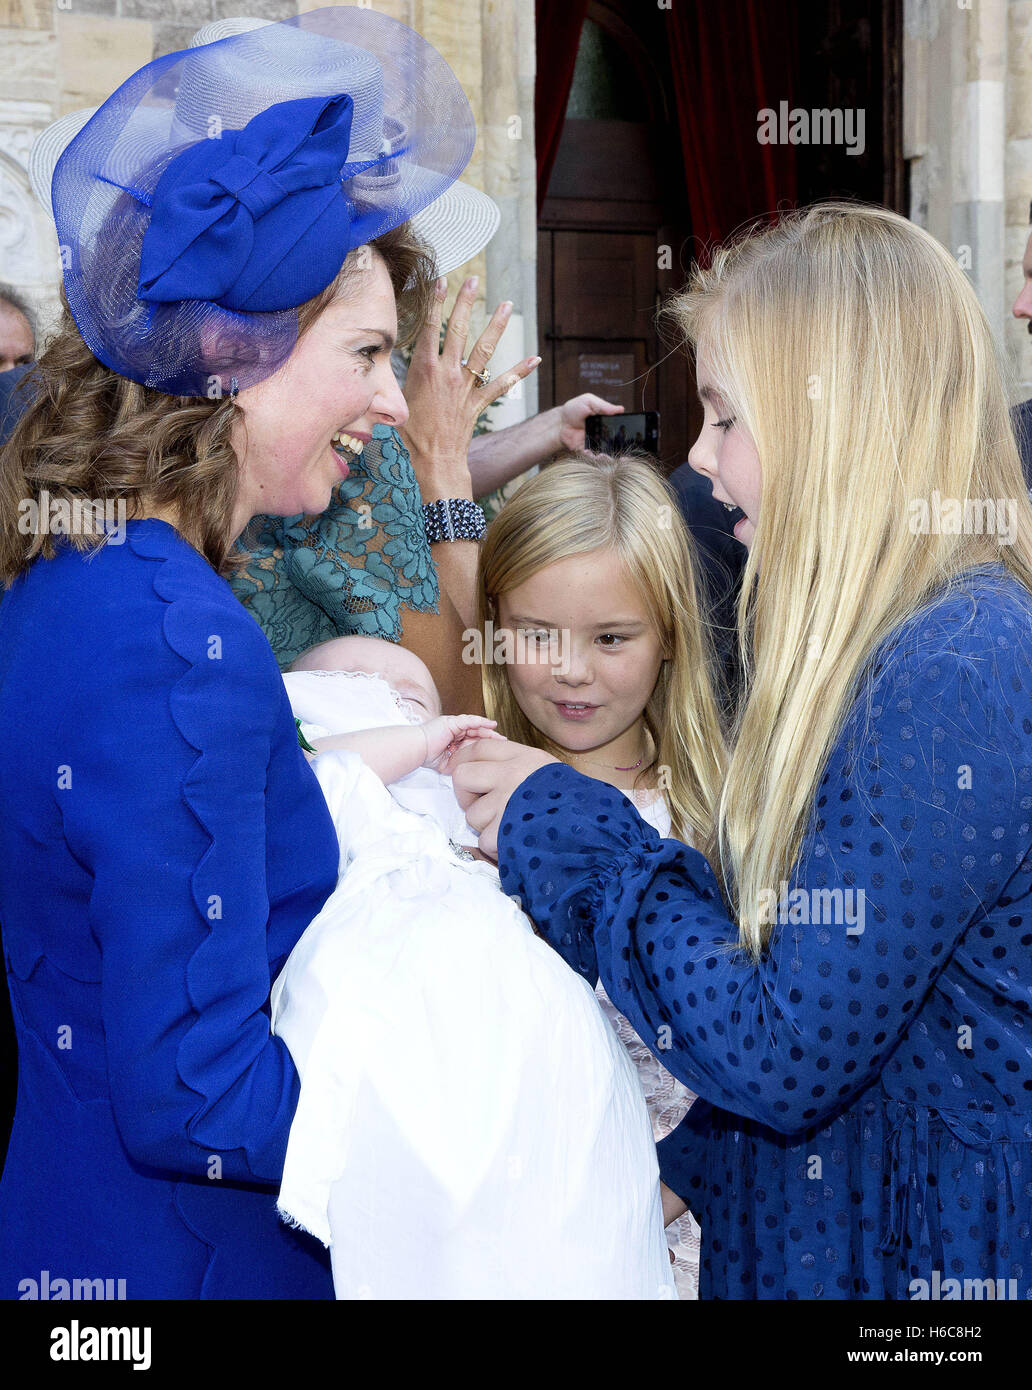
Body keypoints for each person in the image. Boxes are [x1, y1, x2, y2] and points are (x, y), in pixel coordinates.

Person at [0, 9, 535, 1300]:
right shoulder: (177, 639)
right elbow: (197, 1094)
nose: (396, 404)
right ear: (235, 360)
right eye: (365, 355)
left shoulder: (78, 574)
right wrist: (482, 1140)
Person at [450, 203, 1032, 1300]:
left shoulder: (951, 663)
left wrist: (563, 823)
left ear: (841, 421)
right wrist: (668, 1176)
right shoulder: (905, 638)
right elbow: (865, 1021)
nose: (706, 467)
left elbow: (783, 1045)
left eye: (727, 418)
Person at [272, 635, 675, 1299]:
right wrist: (420, 737)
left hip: (499, 977)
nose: (400, 704)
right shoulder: (324, 746)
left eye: (413, 699)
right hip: (401, 966)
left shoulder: (467, 794)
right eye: (377, 690)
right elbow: (316, 776)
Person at [475, 451, 727, 1297]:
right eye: (536, 635)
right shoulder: (461, 801)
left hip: (674, 1236)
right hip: (501, 1231)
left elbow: (768, 1048)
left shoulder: (719, 819)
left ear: (670, 637)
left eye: (611, 638)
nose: (571, 670)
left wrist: (658, 1190)